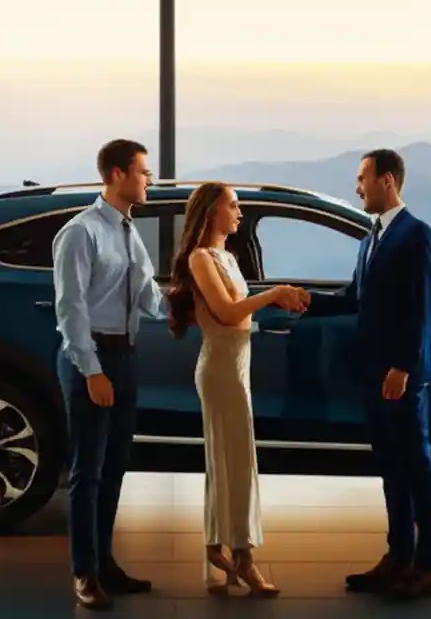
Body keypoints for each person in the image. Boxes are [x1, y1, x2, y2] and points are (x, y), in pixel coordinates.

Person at [308, 148, 431, 600]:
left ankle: (428, 565)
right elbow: (356, 297)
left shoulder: (416, 234)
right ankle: (397, 556)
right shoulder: (372, 239)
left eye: (362, 178)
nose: (357, 187)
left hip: (399, 375)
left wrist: (402, 367)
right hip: (374, 374)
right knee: (390, 467)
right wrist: (303, 300)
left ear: (387, 180)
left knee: (418, 467)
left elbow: (422, 309)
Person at [165, 181, 310, 597]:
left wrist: (281, 298)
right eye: (233, 205)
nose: (239, 213)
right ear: (212, 212)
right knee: (235, 463)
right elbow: (227, 313)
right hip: (220, 370)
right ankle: (243, 558)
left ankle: (217, 548)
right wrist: (273, 295)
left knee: (228, 461)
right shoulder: (201, 258)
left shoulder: (226, 256)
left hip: (236, 367)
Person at [52, 138, 161, 610]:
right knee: (87, 473)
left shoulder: (129, 231)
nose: (148, 179)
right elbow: (70, 308)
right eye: (142, 172)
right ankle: (83, 573)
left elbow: (148, 295)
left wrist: (193, 304)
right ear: (117, 175)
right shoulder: (81, 232)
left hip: (127, 358)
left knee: (115, 467)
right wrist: (92, 371)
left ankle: (105, 564)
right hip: (92, 359)